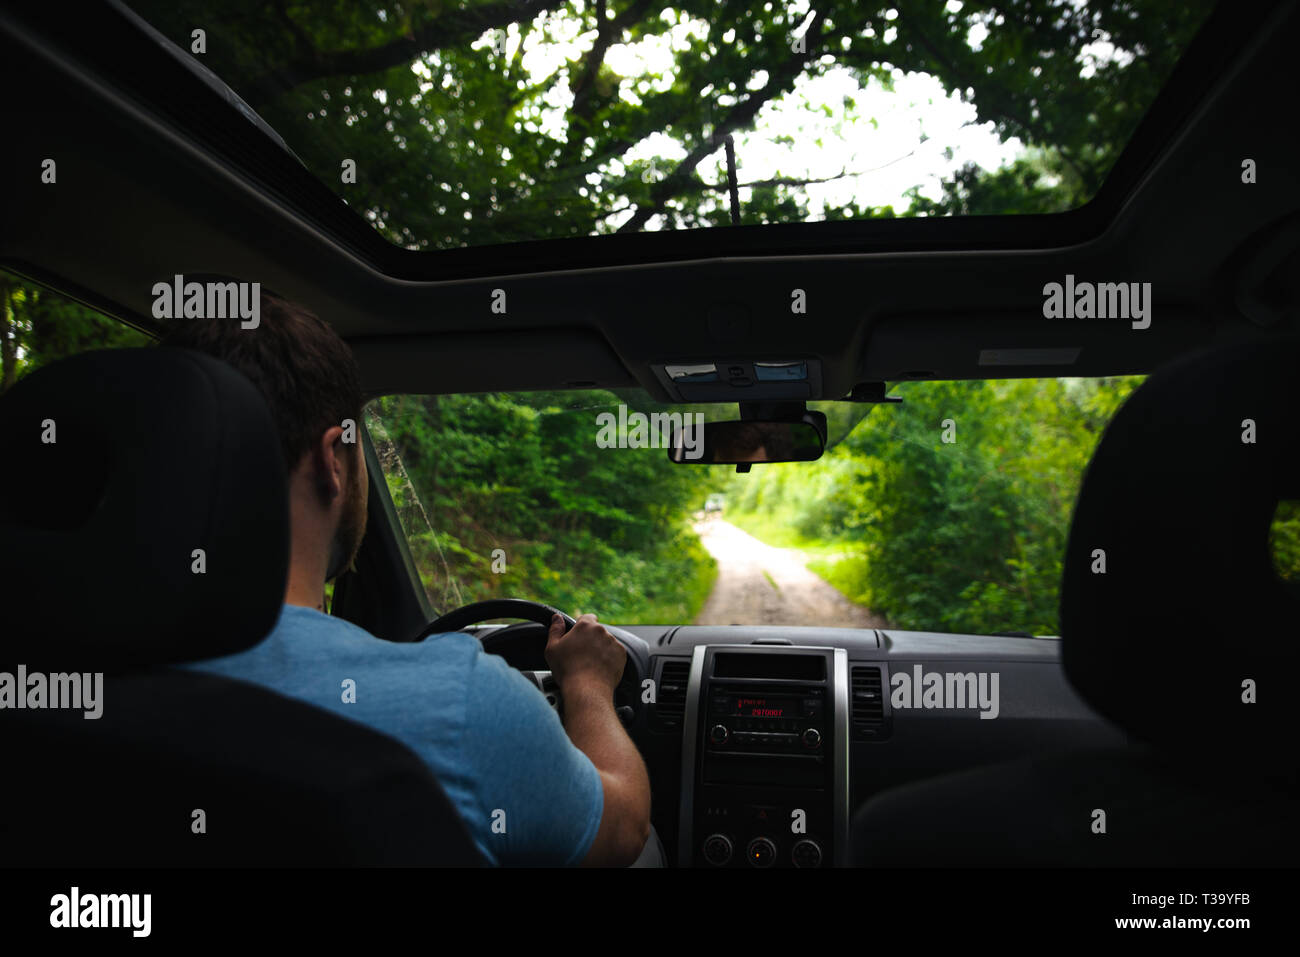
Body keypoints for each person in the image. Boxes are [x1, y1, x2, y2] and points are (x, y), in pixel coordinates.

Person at [163, 293, 651, 866]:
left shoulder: (58, 673)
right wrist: (589, 687)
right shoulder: (460, 705)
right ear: (332, 463)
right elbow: (624, 830)